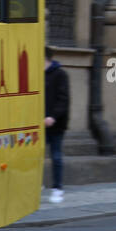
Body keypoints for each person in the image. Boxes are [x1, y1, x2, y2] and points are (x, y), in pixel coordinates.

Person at [43, 46, 69, 204]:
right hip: (39, 123)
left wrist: (52, 117)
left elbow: (63, 99)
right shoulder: (37, 74)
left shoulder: (60, 74)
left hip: (56, 124)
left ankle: (57, 188)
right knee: (35, 157)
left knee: (56, 156)